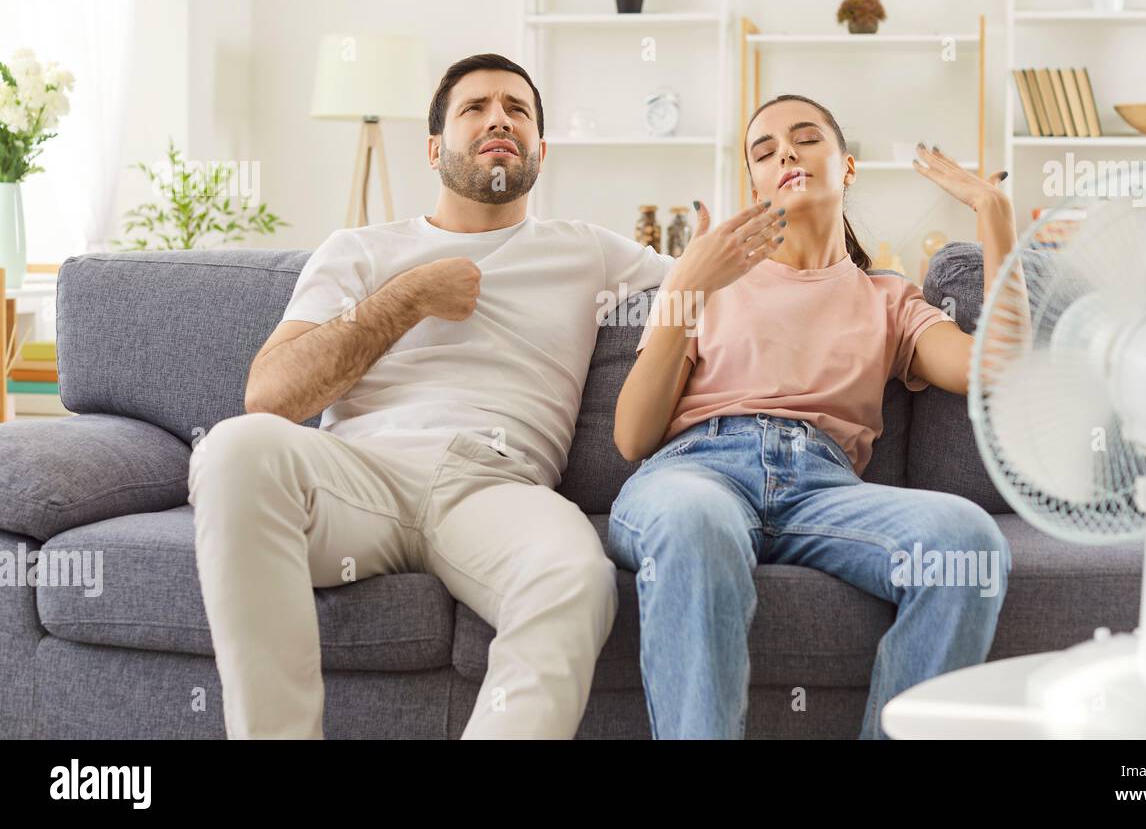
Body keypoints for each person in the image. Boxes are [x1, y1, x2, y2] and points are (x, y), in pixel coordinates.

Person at [188, 53, 689, 739]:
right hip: (361, 474)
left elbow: (718, 285)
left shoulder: (589, 252)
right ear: (433, 148)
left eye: (518, 110)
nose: (499, 120)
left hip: (497, 486)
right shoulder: (360, 250)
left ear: (540, 148)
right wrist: (409, 296)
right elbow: (271, 394)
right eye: (474, 108)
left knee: (576, 576)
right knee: (236, 449)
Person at [608, 93, 1020, 739]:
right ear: (754, 184)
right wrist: (688, 283)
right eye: (765, 152)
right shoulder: (708, 281)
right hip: (698, 472)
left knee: (969, 544)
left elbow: (995, 366)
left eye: (805, 139)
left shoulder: (887, 297)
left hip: (823, 489)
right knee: (694, 524)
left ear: (847, 168)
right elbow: (632, 436)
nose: (787, 155)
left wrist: (993, 213)